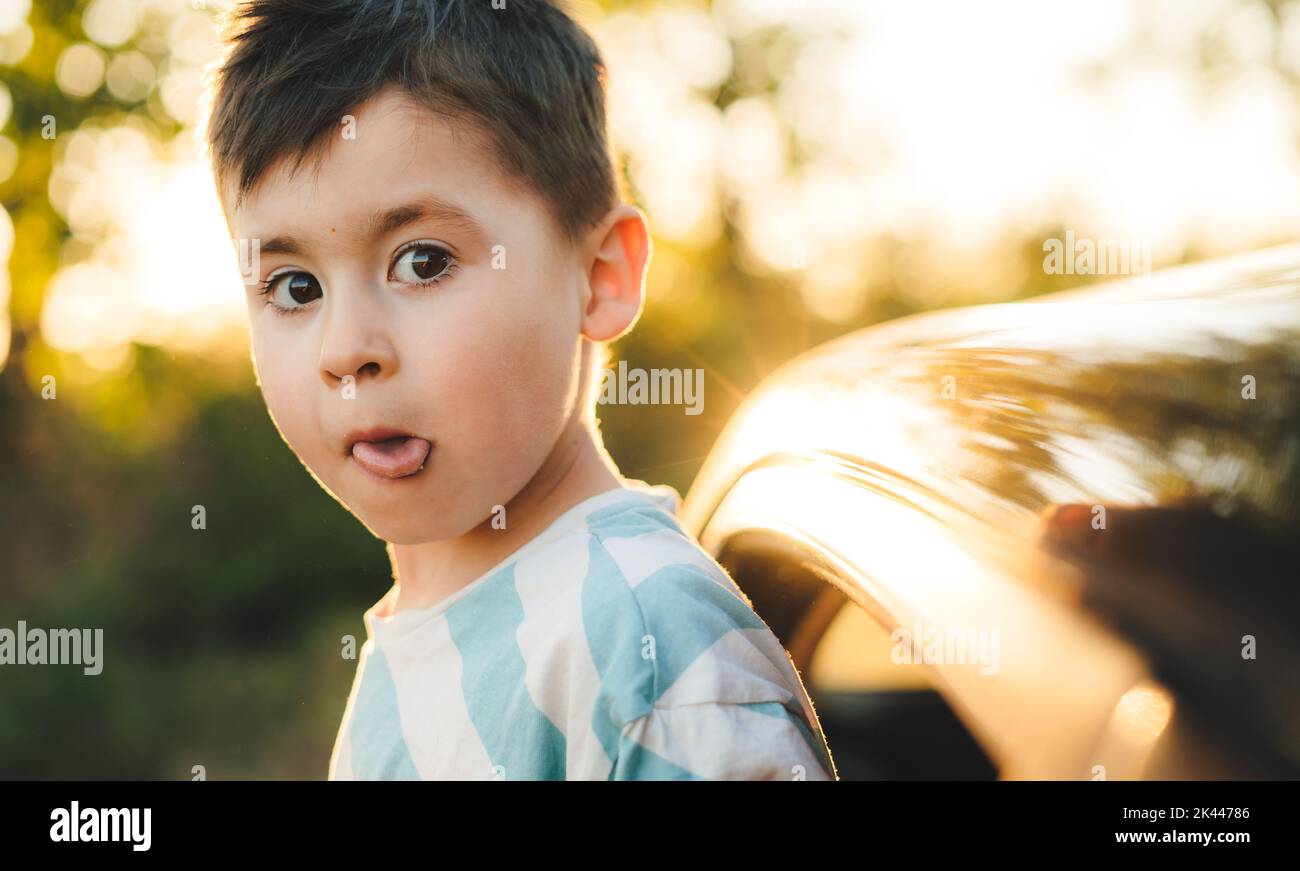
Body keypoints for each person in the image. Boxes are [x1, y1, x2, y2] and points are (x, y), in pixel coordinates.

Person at [201, 0, 836, 780]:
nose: (345, 350)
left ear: (601, 276)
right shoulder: (425, 632)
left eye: (422, 261)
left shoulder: (649, 654)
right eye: (295, 287)